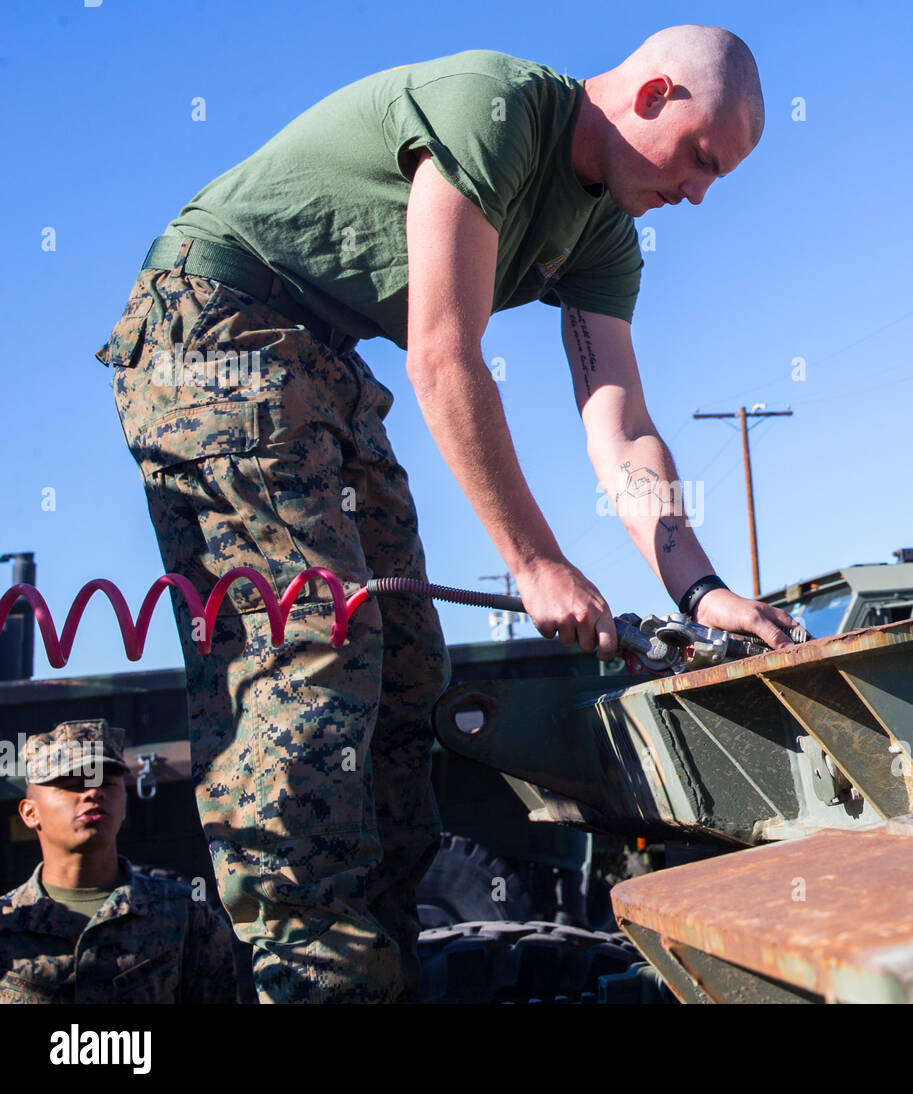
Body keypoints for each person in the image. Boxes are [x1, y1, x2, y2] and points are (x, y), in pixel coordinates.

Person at [94, 24, 800, 1003]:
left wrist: (701, 586)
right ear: (651, 96)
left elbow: (622, 424)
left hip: (320, 356)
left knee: (409, 674)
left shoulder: (603, 235)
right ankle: (310, 981)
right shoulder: (497, 107)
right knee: (313, 654)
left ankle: (378, 970)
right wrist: (535, 560)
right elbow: (441, 353)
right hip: (211, 318)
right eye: (700, 157)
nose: (699, 191)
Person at [0, 719, 238, 1003]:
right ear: (30, 813)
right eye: (73, 783)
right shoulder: (7, 922)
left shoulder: (185, 916)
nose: (93, 792)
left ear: (124, 802)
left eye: (108, 783)